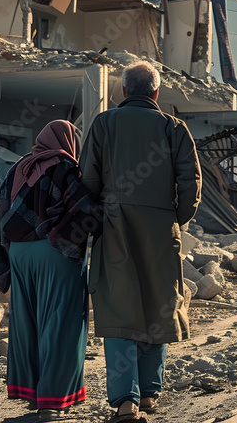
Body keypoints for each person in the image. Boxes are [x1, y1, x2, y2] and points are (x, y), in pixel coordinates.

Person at [79, 61, 201, 423]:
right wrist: (174, 218)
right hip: (161, 227)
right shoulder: (173, 127)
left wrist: (100, 216)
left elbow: (88, 178)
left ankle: (125, 401)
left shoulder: (104, 123)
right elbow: (191, 182)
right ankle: (149, 393)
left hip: (115, 227)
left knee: (120, 307)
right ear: (156, 93)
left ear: (123, 91)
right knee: (157, 302)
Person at [0, 120, 102, 422]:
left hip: (18, 254)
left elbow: (0, 215)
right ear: (69, 142)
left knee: (28, 326)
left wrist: (4, 258)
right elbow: (87, 210)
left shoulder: (17, 169)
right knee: (61, 323)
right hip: (52, 253)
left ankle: (33, 394)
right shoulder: (65, 167)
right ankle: (52, 401)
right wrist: (65, 241)